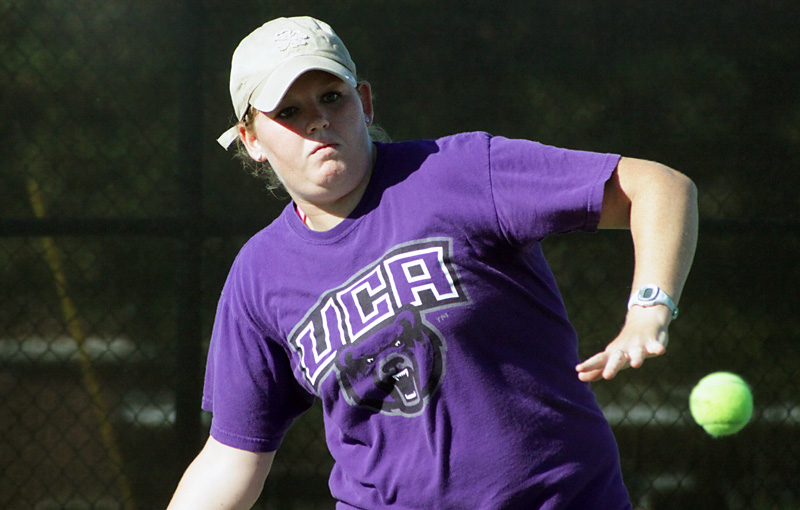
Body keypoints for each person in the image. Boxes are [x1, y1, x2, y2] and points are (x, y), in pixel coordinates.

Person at [168, 16, 698, 510]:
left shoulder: (457, 172)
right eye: (288, 112)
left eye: (332, 96)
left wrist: (649, 308)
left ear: (364, 102)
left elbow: (659, 187)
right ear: (251, 140)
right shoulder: (259, 274)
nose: (319, 120)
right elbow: (232, 457)